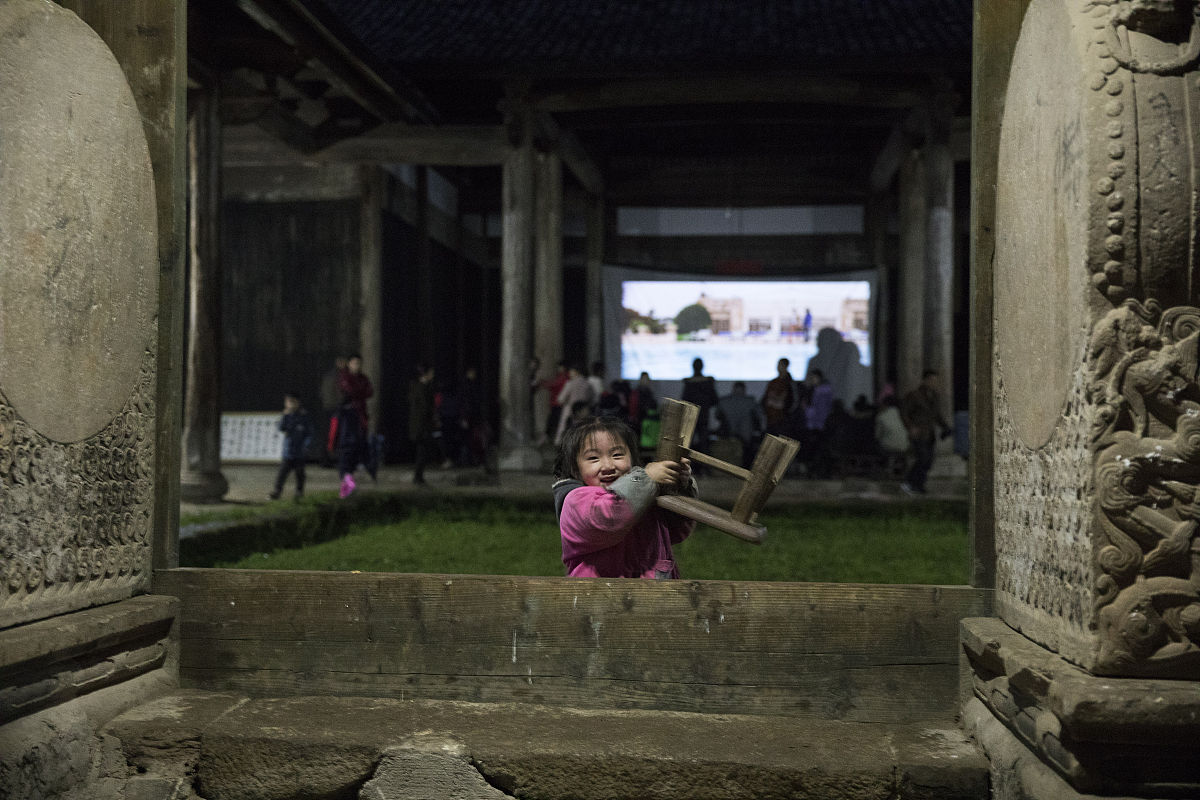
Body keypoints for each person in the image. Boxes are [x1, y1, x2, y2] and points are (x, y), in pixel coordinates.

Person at [552, 416, 697, 579]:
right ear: (576, 469)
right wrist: (646, 478)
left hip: (655, 598)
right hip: (599, 598)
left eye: (617, 455)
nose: (608, 466)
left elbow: (677, 531)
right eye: (593, 458)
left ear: (632, 458)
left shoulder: (642, 492)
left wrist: (679, 486)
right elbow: (610, 516)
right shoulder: (575, 500)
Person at [900, 369, 951, 495]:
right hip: (918, 432)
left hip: (930, 433)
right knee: (922, 458)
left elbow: (937, 415)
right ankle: (909, 482)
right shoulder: (914, 395)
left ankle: (919, 485)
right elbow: (905, 413)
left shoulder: (934, 396)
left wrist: (945, 427)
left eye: (936, 381)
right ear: (925, 380)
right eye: (932, 380)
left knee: (929, 460)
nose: (934, 383)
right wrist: (911, 427)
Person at [269, 392, 312, 500]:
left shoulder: (304, 416)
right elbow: (281, 428)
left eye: (293, 402)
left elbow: (309, 433)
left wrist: (306, 445)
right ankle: (277, 491)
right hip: (288, 452)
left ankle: (299, 492)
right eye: (288, 402)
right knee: (282, 474)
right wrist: (284, 415)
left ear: (298, 403)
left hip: (300, 452)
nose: (291, 404)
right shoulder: (286, 416)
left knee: (300, 474)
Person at [716, 382, 763, 467]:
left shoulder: (724, 401)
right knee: (748, 451)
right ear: (744, 390)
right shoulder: (750, 401)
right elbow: (758, 416)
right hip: (746, 434)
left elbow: (717, 415)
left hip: (728, 433)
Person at [681, 358, 718, 456]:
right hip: (703, 417)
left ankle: (689, 467)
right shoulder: (707, 382)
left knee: (688, 444)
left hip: (691, 417)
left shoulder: (689, 383)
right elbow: (714, 400)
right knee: (704, 445)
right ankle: (704, 469)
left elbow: (684, 401)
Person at [409, 363, 438, 485]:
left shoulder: (419, 386)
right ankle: (418, 476)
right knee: (422, 451)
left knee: (423, 451)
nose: (432, 375)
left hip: (421, 424)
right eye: (431, 373)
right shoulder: (421, 387)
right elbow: (425, 407)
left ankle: (419, 476)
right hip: (421, 425)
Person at [554, 363, 594, 444]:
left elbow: (560, 399)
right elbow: (592, 398)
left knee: (566, 429)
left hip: (570, 409)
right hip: (584, 410)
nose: (569, 373)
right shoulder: (587, 384)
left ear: (576, 372)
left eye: (571, 371)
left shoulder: (570, 383)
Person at [318, 356, 346, 466]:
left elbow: (321, 393)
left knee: (328, 434)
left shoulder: (328, 375)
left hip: (328, 407)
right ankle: (330, 458)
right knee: (334, 434)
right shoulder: (339, 376)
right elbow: (339, 393)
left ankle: (326, 459)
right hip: (335, 408)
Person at [338, 353, 374, 433]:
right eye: (355, 363)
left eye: (359, 363)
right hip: (348, 413)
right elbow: (350, 391)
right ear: (349, 363)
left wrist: (359, 392)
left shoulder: (363, 378)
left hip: (361, 411)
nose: (357, 366)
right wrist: (360, 392)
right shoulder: (345, 377)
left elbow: (370, 391)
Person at [762, 358, 796, 434]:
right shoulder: (773, 382)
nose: (778, 367)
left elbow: (794, 401)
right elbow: (766, 398)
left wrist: (787, 414)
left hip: (783, 420)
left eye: (780, 365)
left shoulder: (790, 383)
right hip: (771, 418)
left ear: (785, 366)